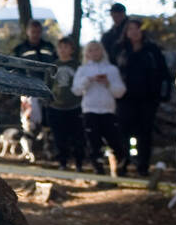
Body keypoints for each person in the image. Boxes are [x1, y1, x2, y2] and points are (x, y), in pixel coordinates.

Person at [114, 19, 170, 177]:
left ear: (143, 31)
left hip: (148, 99)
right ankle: (124, 163)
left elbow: (163, 73)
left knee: (144, 133)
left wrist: (163, 94)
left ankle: (142, 166)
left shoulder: (152, 50)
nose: (134, 32)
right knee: (124, 132)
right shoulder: (120, 50)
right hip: (124, 99)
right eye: (130, 29)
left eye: (137, 29)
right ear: (125, 32)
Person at [73, 40, 127, 176]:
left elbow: (120, 92)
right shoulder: (82, 70)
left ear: (102, 51)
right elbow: (76, 90)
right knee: (93, 144)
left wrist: (108, 83)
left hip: (108, 111)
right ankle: (99, 172)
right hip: (89, 111)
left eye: (97, 49)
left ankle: (119, 169)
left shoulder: (112, 69)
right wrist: (88, 80)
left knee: (115, 143)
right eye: (90, 50)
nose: (94, 53)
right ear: (86, 53)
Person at [44, 36, 85, 172]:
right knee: (59, 137)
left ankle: (79, 163)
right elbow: (47, 85)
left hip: (75, 107)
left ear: (72, 49)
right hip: (56, 107)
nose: (63, 50)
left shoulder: (78, 66)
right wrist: (48, 102)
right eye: (60, 47)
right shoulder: (52, 66)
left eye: (66, 47)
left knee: (77, 137)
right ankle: (63, 162)